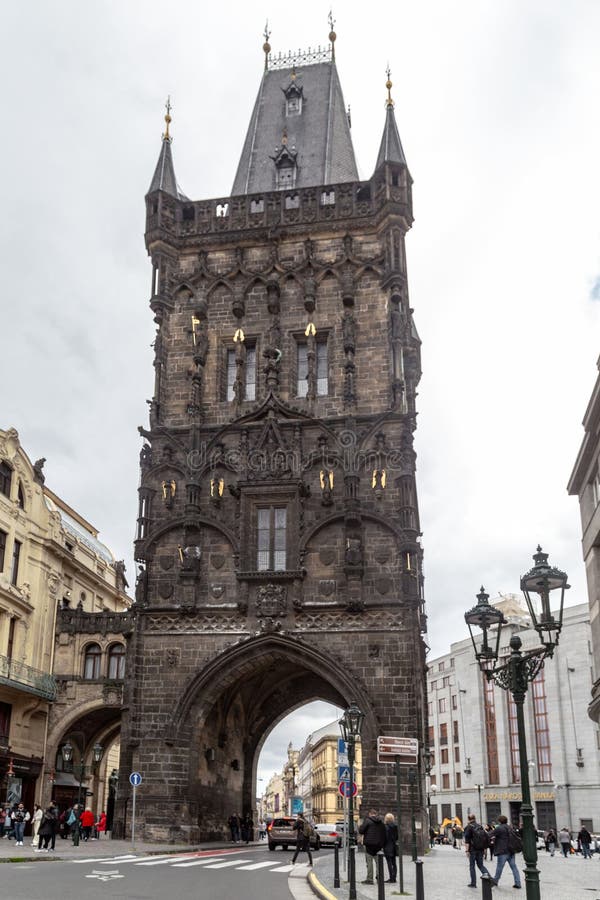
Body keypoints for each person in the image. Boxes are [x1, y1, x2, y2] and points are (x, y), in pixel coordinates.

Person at [464, 813, 494, 888]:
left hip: (472, 849)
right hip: (480, 849)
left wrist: (467, 851)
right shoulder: (480, 827)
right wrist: (484, 849)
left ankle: (473, 883)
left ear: (468, 819)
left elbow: (467, 840)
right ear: (475, 818)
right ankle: (490, 880)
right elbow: (485, 838)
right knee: (481, 865)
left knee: (472, 866)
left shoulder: (469, 827)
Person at [491, 815, 521, 889]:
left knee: (499, 867)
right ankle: (518, 883)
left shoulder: (499, 828)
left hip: (503, 851)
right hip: (511, 850)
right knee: (514, 867)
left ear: (500, 821)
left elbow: (490, 834)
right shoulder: (510, 828)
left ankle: (495, 881)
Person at [358, 808, 387, 885]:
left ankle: (370, 879)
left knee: (369, 862)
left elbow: (361, 831)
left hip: (369, 845)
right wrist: (382, 844)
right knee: (378, 862)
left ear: (370, 814)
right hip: (378, 845)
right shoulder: (381, 822)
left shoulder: (367, 821)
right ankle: (379, 877)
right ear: (376, 814)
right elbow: (384, 834)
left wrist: (361, 826)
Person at [383, 812, 398, 883]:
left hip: (387, 846)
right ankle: (394, 877)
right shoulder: (395, 826)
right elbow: (397, 837)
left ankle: (391, 878)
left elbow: (384, 837)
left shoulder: (385, 827)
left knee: (389, 862)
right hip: (394, 846)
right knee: (394, 863)